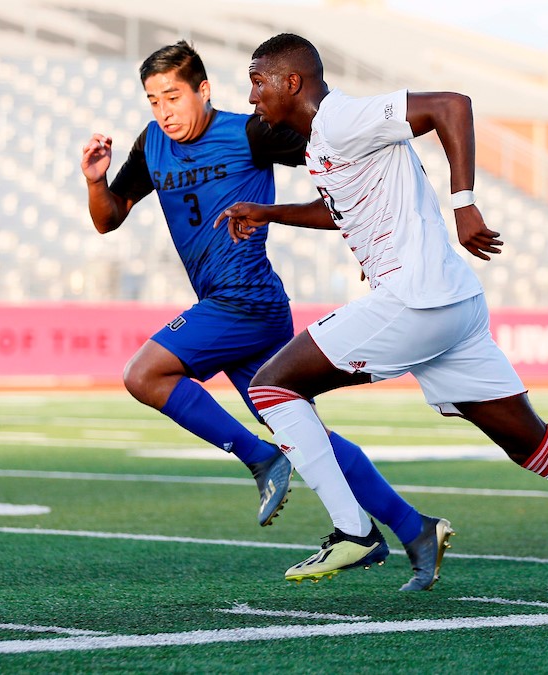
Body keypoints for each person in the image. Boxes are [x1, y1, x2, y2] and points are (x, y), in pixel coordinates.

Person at [218, 33, 548, 621]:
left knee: (272, 387)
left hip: (415, 298)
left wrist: (464, 203)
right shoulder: (326, 139)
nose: (251, 95)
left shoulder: (343, 116)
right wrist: (269, 212)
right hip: (451, 305)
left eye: (257, 80)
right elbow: (342, 208)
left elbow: (453, 105)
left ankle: (353, 528)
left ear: (291, 81)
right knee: (534, 444)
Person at [79, 41, 454, 591]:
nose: (164, 110)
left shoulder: (249, 133)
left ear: (204, 91)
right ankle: (414, 527)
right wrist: (95, 180)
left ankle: (261, 460)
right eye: (153, 100)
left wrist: (373, 234)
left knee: (144, 374)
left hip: (244, 301)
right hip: (240, 308)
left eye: (174, 96)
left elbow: (335, 155)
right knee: (306, 434)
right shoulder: (152, 143)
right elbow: (109, 218)